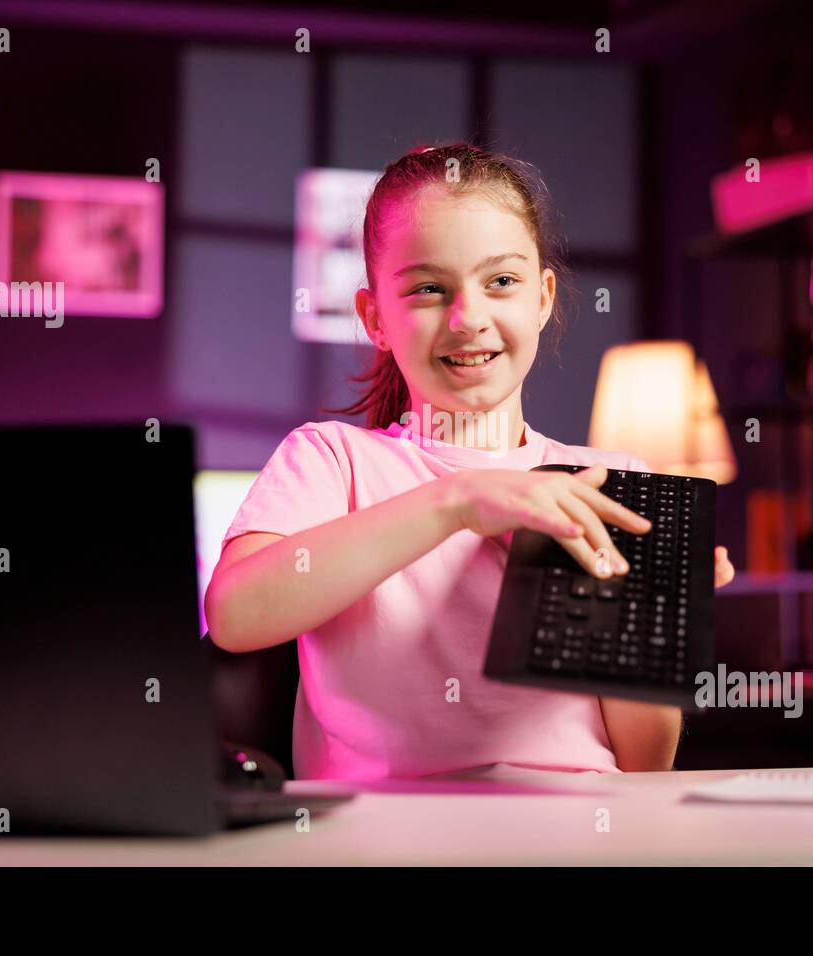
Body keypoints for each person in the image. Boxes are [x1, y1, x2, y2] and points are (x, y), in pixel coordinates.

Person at [205, 143, 734, 780]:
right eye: (429, 289)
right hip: (381, 842)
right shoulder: (333, 461)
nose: (468, 318)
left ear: (542, 298)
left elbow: (644, 768)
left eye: (501, 282)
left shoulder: (610, 481)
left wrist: (646, 626)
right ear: (375, 317)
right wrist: (456, 502)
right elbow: (235, 615)